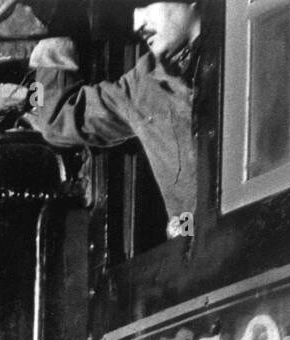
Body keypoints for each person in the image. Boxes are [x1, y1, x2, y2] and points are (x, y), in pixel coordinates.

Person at [24, 2, 202, 237]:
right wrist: (57, 33)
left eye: (146, 4)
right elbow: (56, 120)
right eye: (133, 11)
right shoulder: (145, 85)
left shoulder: (256, 34)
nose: (138, 23)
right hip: (207, 256)